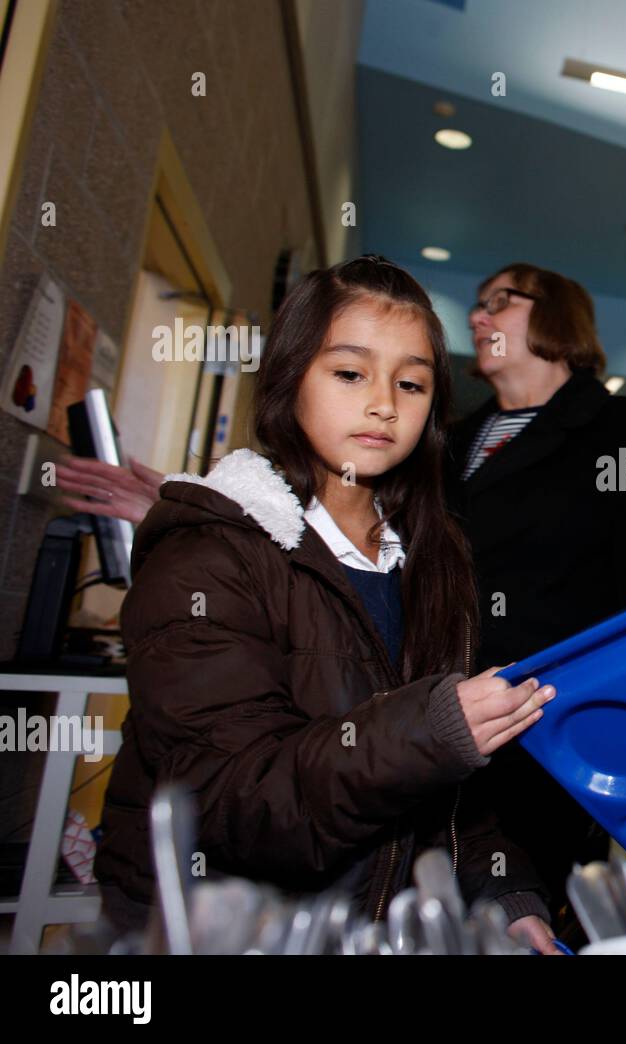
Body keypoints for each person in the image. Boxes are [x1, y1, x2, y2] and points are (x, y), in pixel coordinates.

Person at [93, 255, 558, 951]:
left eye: (412, 382)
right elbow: (232, 804)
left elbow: (448, 799)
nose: (383, 404)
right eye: (349, 373)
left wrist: (506, 896)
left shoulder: (432, 563)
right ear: (290, 376)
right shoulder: (210, 555)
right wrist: (428, 730)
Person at [449, 262, 626, 920]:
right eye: (478, 304)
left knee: (534, 912)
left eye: (501, 301)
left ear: (556, 315)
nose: (479, 316)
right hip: (443, 720)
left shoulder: (618, 426)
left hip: (556, 732)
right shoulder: (448, 441)